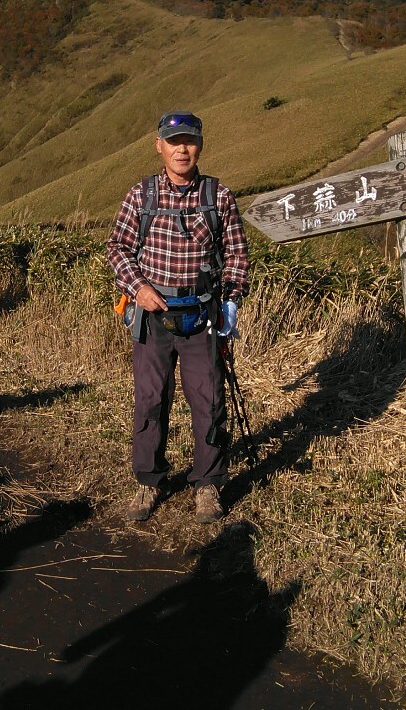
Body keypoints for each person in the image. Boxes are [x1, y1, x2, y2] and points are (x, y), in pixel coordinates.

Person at [106, 111, 249, 524]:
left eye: (189, 141)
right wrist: (138, 288)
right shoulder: (141, 195)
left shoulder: (218, 196)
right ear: (159, 146)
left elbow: (237, 254)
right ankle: (148, 482)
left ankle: (208, 486)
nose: (181, 149)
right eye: (173, 141)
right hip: (152, 316)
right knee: (151, 400)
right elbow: (117, 248)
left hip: (201, 315)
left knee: (209, 401)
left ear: (200, 145)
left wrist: (231, 303)